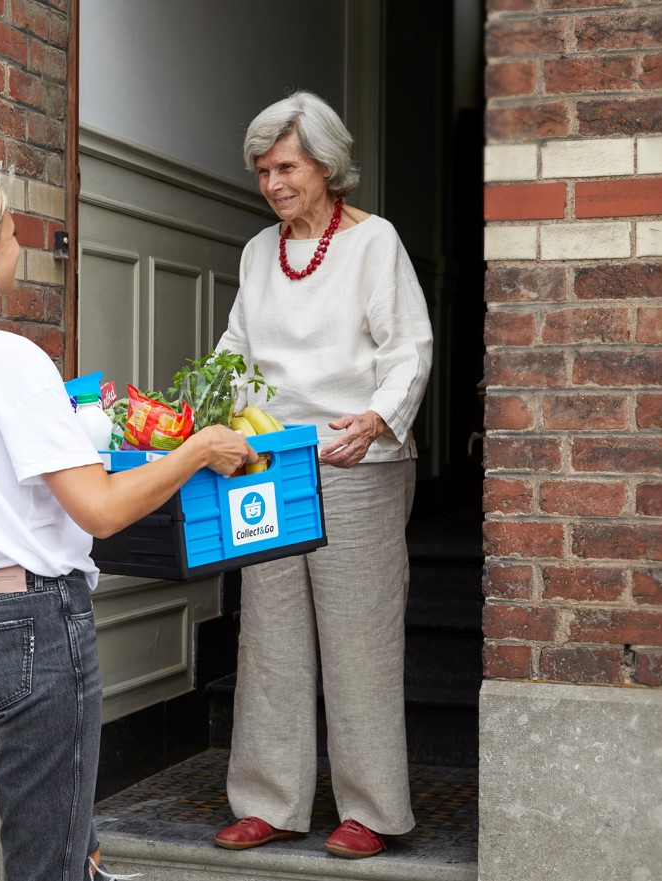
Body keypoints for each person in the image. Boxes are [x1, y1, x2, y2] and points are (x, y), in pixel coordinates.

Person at [0, 175, 256, 881]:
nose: (20, 245)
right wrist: (198, 449)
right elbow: (100, 510)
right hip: (34, 624)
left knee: (60, 841)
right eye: (11, 233)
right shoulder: (10, 359)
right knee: (46, 862)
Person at [211, 91, 434, 859]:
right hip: (269, 460)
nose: (272, 184)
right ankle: (269, 801)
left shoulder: (374, 242)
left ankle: (370, 809)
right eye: (262, 171)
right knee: (268, 636)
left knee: (358, 635)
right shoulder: (257, 251)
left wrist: (375, 419)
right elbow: (234, 350)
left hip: (353, 458)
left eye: (286, 167)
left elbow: (408, 349)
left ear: (327, 166)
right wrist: (205, 413)